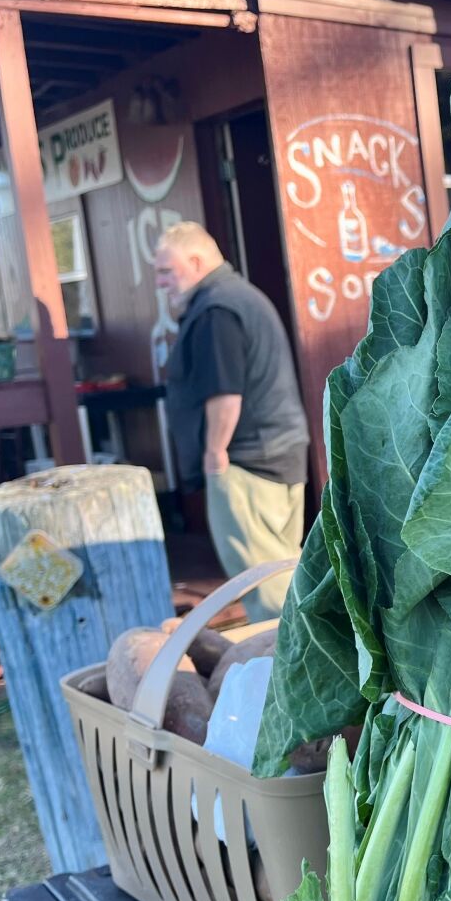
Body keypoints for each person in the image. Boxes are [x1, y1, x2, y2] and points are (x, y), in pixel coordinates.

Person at [157, 222, 309, 623]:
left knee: (266, 587)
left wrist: (214, 453)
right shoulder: (241, 297)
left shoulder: (216, 311)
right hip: (279, 452)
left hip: (245, 462)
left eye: (166, 271)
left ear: (195, 261)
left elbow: (225, 394)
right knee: (286, 570)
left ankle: (294, 673)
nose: (160, 282)